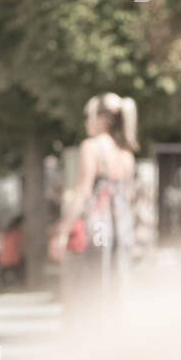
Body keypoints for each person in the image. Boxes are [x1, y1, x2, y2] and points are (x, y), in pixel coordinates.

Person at [50, 93, 139, 325]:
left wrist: (62, 231)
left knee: (91, 286)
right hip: (122, 227)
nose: (85, 122)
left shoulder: (91, 148)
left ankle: (89, 338)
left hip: (98, 226)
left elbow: (83, 192)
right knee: (118, 286)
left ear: (102, 119)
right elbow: (128, 196)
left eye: (87, 116)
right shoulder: (126, 155)